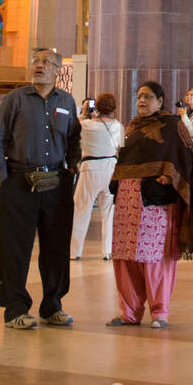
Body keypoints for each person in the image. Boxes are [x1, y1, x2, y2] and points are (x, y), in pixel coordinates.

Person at [0, 47, 81, 330]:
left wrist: (72, 169)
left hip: (55, 183)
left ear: (57, 70)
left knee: (56, 248)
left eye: (46, 62)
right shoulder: (15, 99)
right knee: (14, 249)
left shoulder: (67, 101)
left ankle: (52, 305)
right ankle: (15, 308)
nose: (39, 66)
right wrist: (5, 180)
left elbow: (74, 139)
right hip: (19, 182)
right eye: (36, 61)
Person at [108, 80, 193, 328]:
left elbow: (187, 159)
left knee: (154, 257)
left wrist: (168, 178)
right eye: (139, 96)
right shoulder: (133, 125)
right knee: (125, 257)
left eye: (147, 96)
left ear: (160, 101)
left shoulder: (173, 126)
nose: (141, 101)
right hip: (128, 202)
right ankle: (129, 312)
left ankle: (159, 311)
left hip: (156, 202)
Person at [70, 92, 123, 261]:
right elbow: (120, 148)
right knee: (109, 211)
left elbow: (75, 128)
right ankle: (107, 251)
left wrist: (86, 113)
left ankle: (74, 251)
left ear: (97, 107)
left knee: (81, 210)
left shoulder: (85, 124)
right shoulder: (118, 126)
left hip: (90, 168)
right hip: (111, 169)